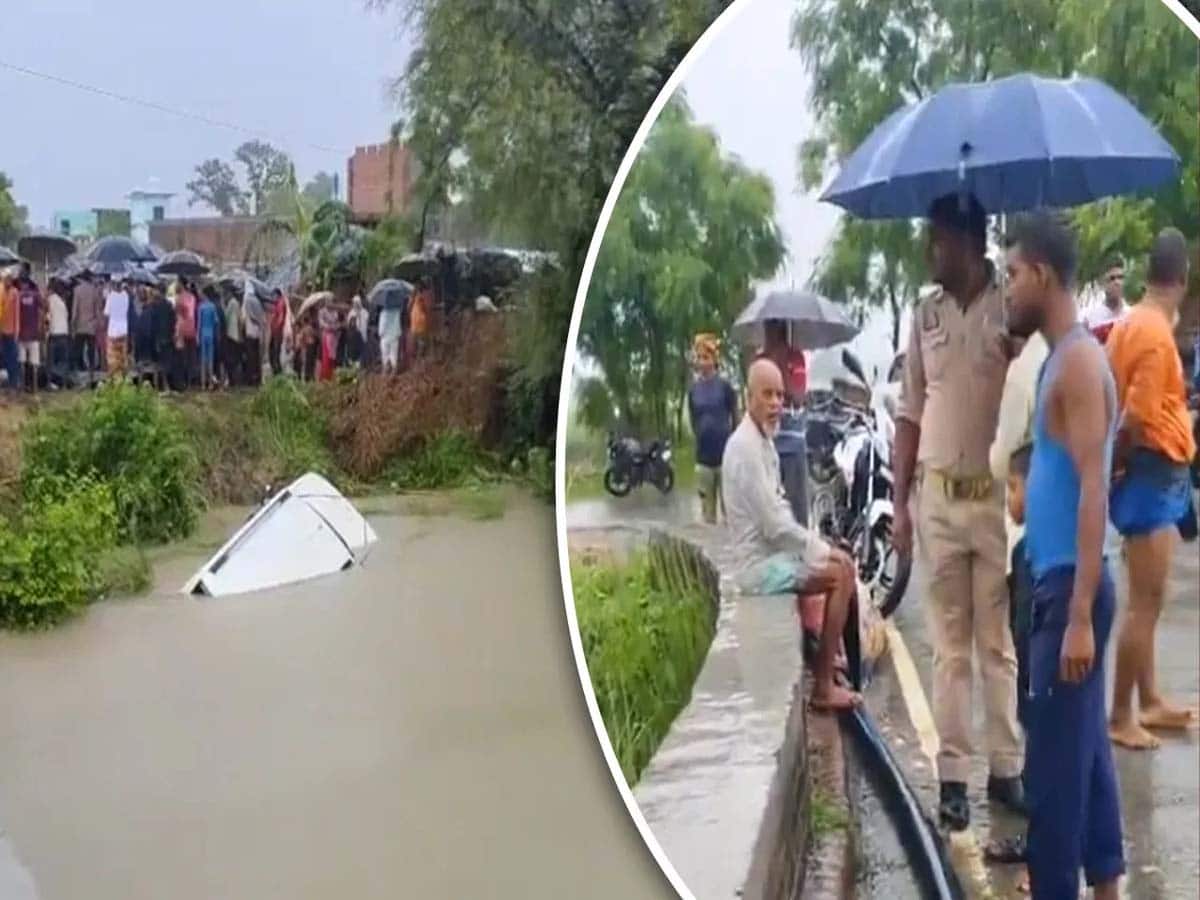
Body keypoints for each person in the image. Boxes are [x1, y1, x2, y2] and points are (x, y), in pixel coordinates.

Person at [893, 193, 1023, 830]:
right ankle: (952, 780)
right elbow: (909, 414)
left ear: (970, 242)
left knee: (996, 646)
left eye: (937, 238)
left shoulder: (1013, 310)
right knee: (950, 650)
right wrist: (899, 506)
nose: (928, 250)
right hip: (940, 501)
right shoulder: (924, 317)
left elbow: (1035, 400)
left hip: (995, 502)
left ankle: (1005, 770)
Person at [1004, 210, 1123, 900]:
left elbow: (1091, 491)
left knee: (1051, 776)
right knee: (1090, 761)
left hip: (1066, 590)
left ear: (1042, 274)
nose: (1008, 287)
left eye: (1013, 274)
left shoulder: (1077, 362)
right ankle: (1106, 887)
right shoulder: (1064, 358)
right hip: (1063, 582)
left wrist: (1077, 614)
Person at [723, 358, 861, 711]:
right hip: (759, 570)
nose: (775, 404)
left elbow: (781, 508)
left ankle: (833, 661)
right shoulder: (746, 449)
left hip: (775, 555)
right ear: (748, 397)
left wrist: (820, 546)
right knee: (839, 576)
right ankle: (823, 685)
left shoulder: (764, 441)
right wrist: (816, 548)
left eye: (780, 396)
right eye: (767, 395)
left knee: (842, 559)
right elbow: (773, 525)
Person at [1105, 228, 1198, 750]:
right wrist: (1119, 465)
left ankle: (1149, 699)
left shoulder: (1131, 324)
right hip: (1149, 473)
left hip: (1149, 473)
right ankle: (1121, 713)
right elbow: (1136, 417)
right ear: (1181, 281)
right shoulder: (1156, 334)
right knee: (1145, 601)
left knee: (1148, 601)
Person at [759, 319, 810, 525]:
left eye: (770, 330)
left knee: (796, 509)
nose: (767, 335)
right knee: (767, 509)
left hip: (793, 444)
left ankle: (801, 553)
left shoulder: (795, 358)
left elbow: (798, 397)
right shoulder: (760, 360)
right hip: (765, 443)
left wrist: (780, 371)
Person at [688, 333, 738, 524]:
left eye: (706, 358)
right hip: (703, 460)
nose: (702, 362)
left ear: (714, 359)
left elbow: (735, 416)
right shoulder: (694, 390)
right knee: (707, 514)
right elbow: (694, 420)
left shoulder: (725, 387)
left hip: (725, 458)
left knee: (730, 512)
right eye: (699, 358)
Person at [1082, 256, 1129, 344]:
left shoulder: (1132, 316)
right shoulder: (1089, 318)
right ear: (1103, 284)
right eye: (1112, 278)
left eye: (1120, 277)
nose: (1117, 282)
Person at [15, 265, 45, 393]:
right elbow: (44, 306)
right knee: (34, 363)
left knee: (22, 362)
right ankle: (35, 388)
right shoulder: (36, 294)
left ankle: (22, 387)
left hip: (21, 333)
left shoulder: (18, 296)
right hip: (34, 334)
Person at [70, 271, 102, 378]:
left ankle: (75, 371)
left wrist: (73, 325)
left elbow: (75, 310)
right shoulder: (95, 291)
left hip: (80, 325)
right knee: (91, 349)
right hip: (91, 325)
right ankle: (91, 372)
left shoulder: (77, 290)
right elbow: (97, 310)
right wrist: (98, 323)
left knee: (77, 349)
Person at [102, 275, 131, 377]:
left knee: (112, 358)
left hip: (112, 331)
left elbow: (106, 314)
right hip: (124, 330)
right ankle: (123, 377)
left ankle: (113, 379)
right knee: (123, 357)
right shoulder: (126, 296)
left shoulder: (111, 296)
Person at [46, 278, 71, 389]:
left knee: (50, 361)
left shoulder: (50, 300)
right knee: (64, 361)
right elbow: (66, 316)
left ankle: (49, 383)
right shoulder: (62, 302)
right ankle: (64, 384)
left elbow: (47, 317)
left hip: (54, 334)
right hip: (64, 333)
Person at [174, 280, 198, 389]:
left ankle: (183, 382)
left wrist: (176, 333)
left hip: (182, 331)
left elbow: (178, 317)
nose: (176, 285)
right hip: (192, 330)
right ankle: (190, 381)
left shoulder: (179, 299)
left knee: (182, 358)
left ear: (181, 285)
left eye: (177, 283)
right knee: (191, 358)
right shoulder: (192, 297)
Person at [242, 281, 264, 387]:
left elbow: (248, 316)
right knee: (256, 356)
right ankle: (257, 378)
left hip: (250, 332)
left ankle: (251, 379)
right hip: (257, 332)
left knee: (250, 356)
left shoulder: (248, 300)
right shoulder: (257, 300)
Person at [197, 288, 220, 390]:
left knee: (203, 360)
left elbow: (199, 323)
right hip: (210, 334)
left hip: (202, 334)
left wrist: (197, 336)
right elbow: (216, 322)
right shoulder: (212, 306)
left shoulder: (200, 307)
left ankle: (203, 384)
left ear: (205, 295)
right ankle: (210, 383)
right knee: (210, 359)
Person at [0, 268, 19, 389]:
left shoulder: (15, 292)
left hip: (11, 331)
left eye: (10, 279)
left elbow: (17, 313)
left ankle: (13, 384)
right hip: (1, 329)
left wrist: (17, 331)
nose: (8, 281)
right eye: (6, 279)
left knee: (11, 358)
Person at [222, 288, 243, 388]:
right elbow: (240, 320)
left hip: (231, 335)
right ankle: (234, 380)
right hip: (235, 335)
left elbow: (226, 318)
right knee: (234, 359)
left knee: (231, 360)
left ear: (230, 293)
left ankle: (232, 380)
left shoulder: (231, 304)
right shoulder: (236, 304)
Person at [379, 295, 403, 374]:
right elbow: (398, 324)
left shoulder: (383, 313)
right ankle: (394, 370)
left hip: (385, 336)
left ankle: (385, 369)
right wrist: (398, 334)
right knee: (394, 354)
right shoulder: (397, 312)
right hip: (394, 336)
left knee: (385, 354)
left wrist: (380, 333)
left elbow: (382, 325)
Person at [409, 279, 431, 361]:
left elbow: (409, 307)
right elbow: (426, 308)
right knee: (419, 337)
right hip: (418, 318)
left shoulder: (415, 297)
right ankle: (419, 355)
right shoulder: (419, 296)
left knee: (417, 337)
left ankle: (418, 355)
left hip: (416, 318)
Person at [318, 302, 339, 381]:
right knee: (326, 356)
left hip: (334, 336)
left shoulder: (335, 312)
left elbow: (336, 323)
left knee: (332, 356)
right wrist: (328, 326)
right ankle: (325, 375)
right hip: (326, 335)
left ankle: (331, 375)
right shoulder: (322, 311)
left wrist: (335, 327)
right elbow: (321, 323)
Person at [268, 289, 288, 377]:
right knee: (273, 352)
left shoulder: (281, 303)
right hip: (275, 331)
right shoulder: (278, 304)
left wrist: (276, 328)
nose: (273, 298)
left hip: (277, 332)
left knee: (275, 353)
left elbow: (280, 318)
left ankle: (277, 373)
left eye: (274, 296)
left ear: (277, 295)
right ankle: (276, 372)